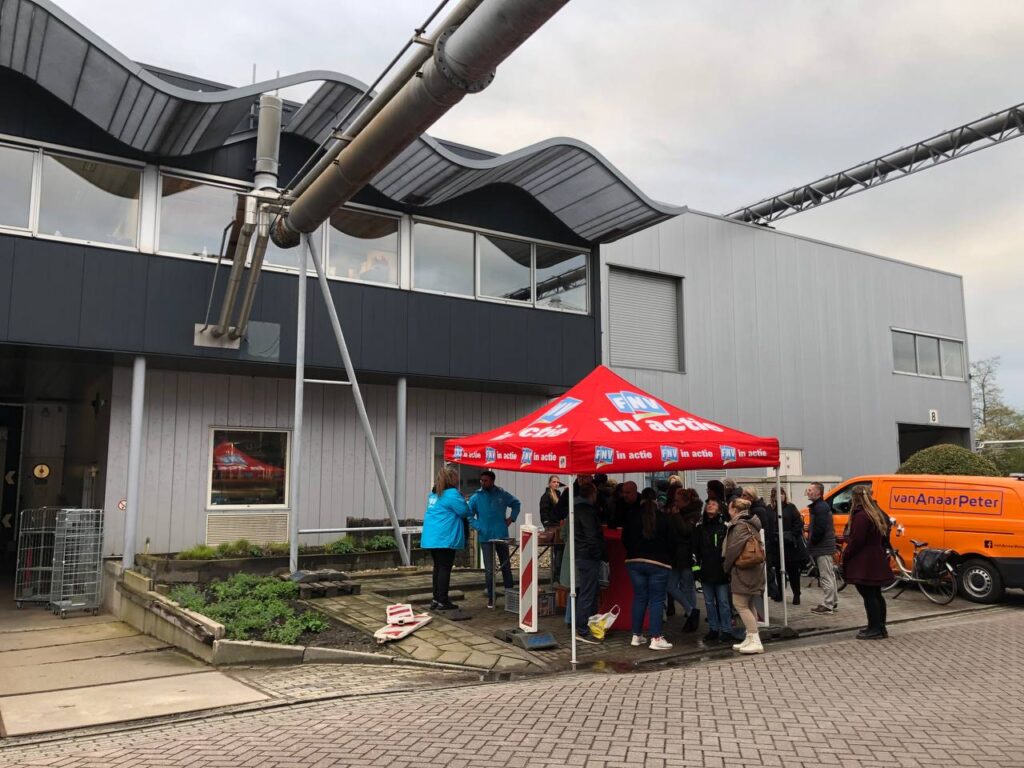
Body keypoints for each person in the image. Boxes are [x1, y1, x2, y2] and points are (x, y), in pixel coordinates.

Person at [622, 494, 677, 650]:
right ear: (655, 502)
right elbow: (672, 542)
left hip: (634, 562)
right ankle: (656, 637)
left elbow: (624, 539)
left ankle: (636, 635)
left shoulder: (631, 517)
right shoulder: (664, 518)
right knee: (657, 600)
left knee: (639, 598)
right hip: (658, 563)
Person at [842, 485, 893, 639]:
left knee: (869, 595)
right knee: (876, 594)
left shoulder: (861, 516)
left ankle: (875, 628)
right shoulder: (875, 512)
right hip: (876, 557)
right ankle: (879, 626)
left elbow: (857, 540)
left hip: (865, 561)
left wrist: (847, 553)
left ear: (855, 498)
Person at [422, 466, 473, 611]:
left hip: (431, 537)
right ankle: (443, 601)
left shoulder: (433, 494)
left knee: (438, 568)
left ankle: (436, 599)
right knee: (445, 568)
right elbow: (464, 511)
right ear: (452, 479)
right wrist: (463, 499)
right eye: (457, 478)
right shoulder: (452, 494)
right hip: (445, 537)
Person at [469, 470, 521, 609]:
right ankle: (491, 598)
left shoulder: (502, 494)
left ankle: (511, 597)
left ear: (492, 481)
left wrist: (512, 518)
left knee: (506, 567)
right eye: (481, 480)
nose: (483, 483)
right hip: (485, 538)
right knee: (489, 570)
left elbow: (516, 503)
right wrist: (478, 526)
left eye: (485, 480)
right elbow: (469, 515)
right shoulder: (476, 497)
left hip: (501, 535)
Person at [694, 499, 742, 643]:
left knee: (723, 602)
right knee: (708, 602)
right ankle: (713, 629)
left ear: (720, 509)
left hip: (721, 571)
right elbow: (695, 550)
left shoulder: (725, 527)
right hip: (706, 570)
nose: (710, 505)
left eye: (714, 504)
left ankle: (726, 630)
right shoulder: (700, 527)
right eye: (708, 504)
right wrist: (696, 569)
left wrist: (728, 568)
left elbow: (730, 549)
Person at [723, 498, 767, 654]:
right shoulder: (751, 522)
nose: (728, 510)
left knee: (740, 603)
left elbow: (733, 550)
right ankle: (750, 637)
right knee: (749, 604)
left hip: (744, 570)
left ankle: (755, 640)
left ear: (735, 510)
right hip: (753, 569)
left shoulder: (739, 525)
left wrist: (726, 567)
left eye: (729, 508)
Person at [572, 482, 608, 644]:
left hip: (581, 553)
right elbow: (591, 535)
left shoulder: (575, 508)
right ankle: (582, 629)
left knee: (588, 592)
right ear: (592, 494)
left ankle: (589, 626)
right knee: (588, 593)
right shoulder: (586, 510)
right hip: (588, 555)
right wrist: (598, 553)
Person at [665, 486, 701, 632]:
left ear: (685, 501)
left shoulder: (693, 514)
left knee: (688, 586)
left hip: (686, 556)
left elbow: (685, 531)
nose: (675, 504)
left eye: (678, 501)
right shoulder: (679, 512)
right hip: (675, 554)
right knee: (671, 586)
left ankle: (691, 613)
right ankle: (691, 610)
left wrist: (676, 516)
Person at [806, 482, 839, 614]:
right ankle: (833, 601)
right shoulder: (821, 506)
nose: (808, 492)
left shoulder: (819, 507)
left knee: (825, 575)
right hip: (825, 545)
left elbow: (820, 528)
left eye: (810, 490)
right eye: (807, 489)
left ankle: (828, 604)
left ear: (818, 492)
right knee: (830, 574)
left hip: (822, 546)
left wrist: (813, 540)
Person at [770, 487, 804, 605]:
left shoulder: (791, 507)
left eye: (782, 493)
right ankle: (780, 593)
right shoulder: (771, 509)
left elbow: (798, 523)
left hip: (790, 545)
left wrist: (791, 535)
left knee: (793, 570)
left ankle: (796, 594)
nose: (780, 496)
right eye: (776, 494)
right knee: (779, 571)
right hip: (776, 545)